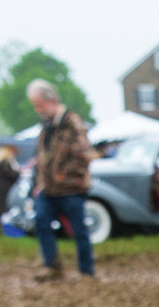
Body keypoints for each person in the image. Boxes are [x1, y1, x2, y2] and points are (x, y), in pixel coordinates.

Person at [27, 79, 95, 281]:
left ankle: (86, 271)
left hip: (71, 189)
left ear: (52, 100)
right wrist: (40, 182)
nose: (38, 110)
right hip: (48, 190)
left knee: (79, 231)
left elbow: (84, 154)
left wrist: (65, 175)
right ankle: (52, 267)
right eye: (36, 106)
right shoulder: (46, 128)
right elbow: (44, 157)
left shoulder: (71, 123)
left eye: (40, 105)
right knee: (41, 222)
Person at [0, 143, 21, 218]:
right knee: (5, 206)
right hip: (5, 188)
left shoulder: (4, 162)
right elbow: (11, 174)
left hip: (5, 188)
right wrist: (19, 172)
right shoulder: (4, 163)